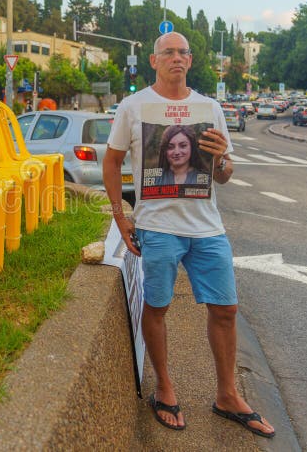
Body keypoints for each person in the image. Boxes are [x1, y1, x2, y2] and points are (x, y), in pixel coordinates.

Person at [102, 32, 275, 437]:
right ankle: (164, 387)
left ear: (191, 60)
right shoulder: (134, 106)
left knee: (226, 309)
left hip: (208, 227)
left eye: (182, 53)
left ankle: (227, 394)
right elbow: (110, 164)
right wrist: (120, 217)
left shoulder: (210, 108)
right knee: (158, 307)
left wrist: (221, 162)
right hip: (157, 226)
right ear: (153, 59)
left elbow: (224, 174)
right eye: (168, 52)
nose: (176, 58)